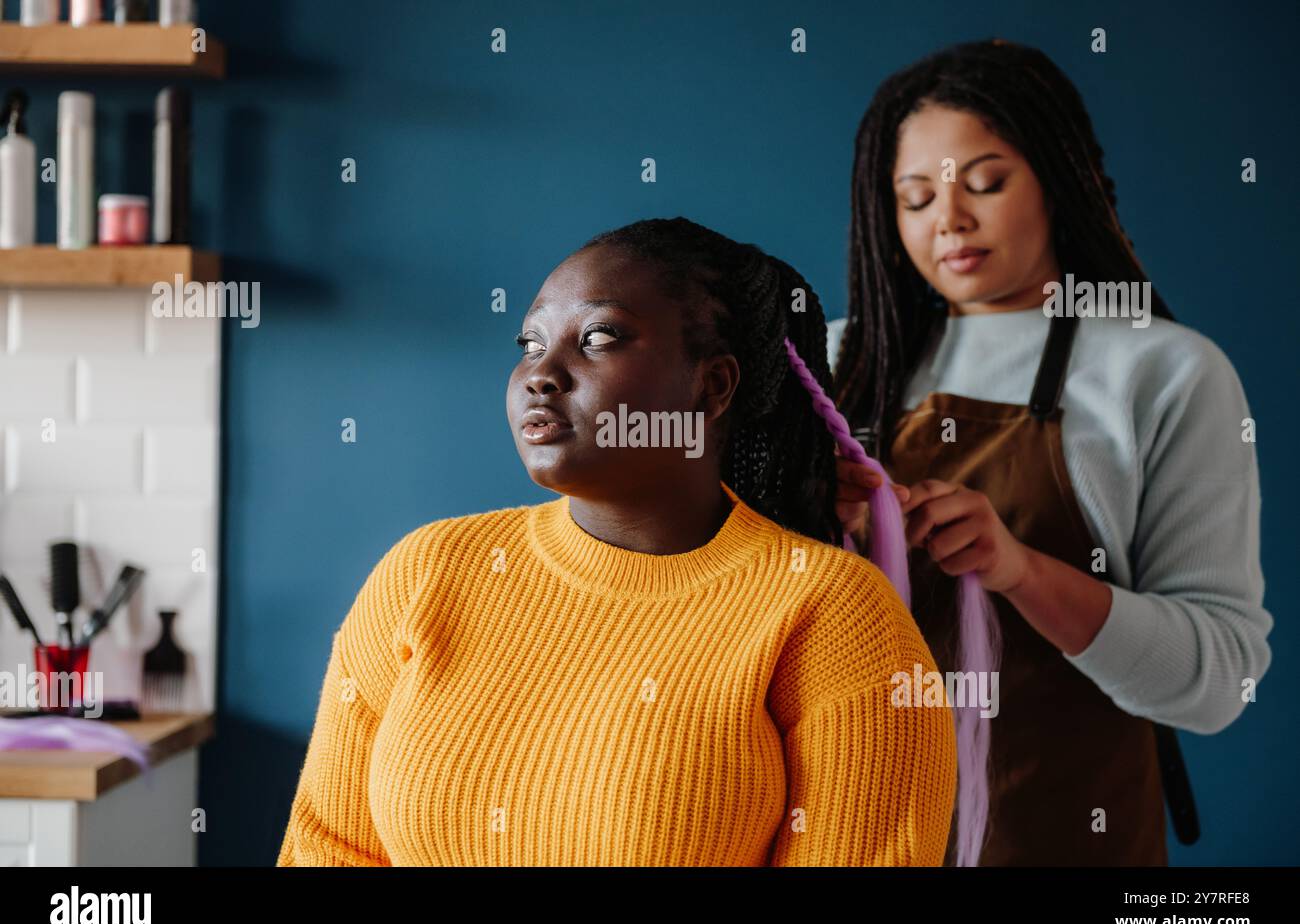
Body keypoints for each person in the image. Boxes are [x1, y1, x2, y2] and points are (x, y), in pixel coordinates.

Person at [277, 216, 957, 866]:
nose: (540, 374)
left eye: (599, 337)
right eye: (530, 343)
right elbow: (328, 850)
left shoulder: (834, 616)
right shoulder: (423, 574)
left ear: (712, 386)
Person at [828, 39, 1273, 865]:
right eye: (916, 197)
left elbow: (1220, 684)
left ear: (1058, 182)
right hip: (857, 836)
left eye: (986, 183)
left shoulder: (1165, 371)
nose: (950, 220)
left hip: (1062, 833)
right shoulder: (837, 363)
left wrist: (1018, 570)